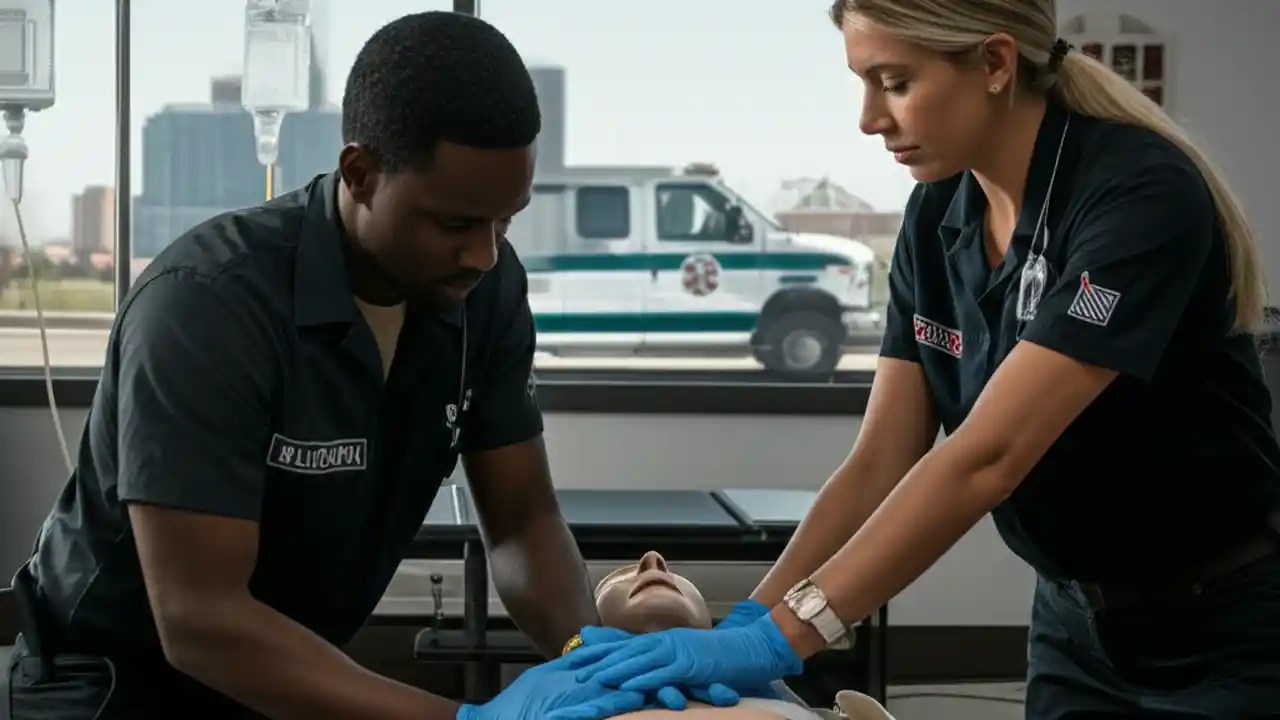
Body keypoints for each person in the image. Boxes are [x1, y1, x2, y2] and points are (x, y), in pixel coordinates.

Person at [564, 1, 1280, 718]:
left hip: (1228, 628)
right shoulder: (937, 212)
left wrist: (785, 639)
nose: (869, 117)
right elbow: (881, 458)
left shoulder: (1138, 194)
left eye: (894, 82)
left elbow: (986, 457)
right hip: (1073, 623)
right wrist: (749, 622)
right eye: (864, 83)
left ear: (996, 63)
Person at [6, 12, 646, 720]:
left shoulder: (486, 293)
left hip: (288, 675)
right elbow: (199, 618)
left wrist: (599, 665)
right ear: (360, 174)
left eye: (507, 220)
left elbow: (523, 521)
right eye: (456, 224)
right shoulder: (207, 307)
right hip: (117, 686)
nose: (485, 255)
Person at [554, 551, 896, 720]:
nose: (653, 561)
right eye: (621, 577)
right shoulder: (563, 696)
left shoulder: (770, 688)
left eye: (676, 578)